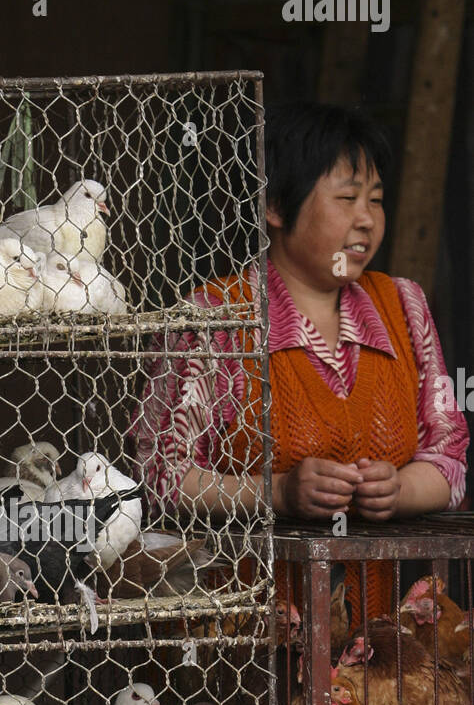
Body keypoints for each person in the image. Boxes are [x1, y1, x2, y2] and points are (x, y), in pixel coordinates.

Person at [129, 102, 469, 620]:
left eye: (375, 201)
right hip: (241, 641)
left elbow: (451, 460)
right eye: (347, 199)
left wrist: (399, 490)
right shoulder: (217, 319)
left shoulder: (405, 306)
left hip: (374, 646)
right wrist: (278, 491)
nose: (366, 220)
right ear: (277, 208)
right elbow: (158, 474)